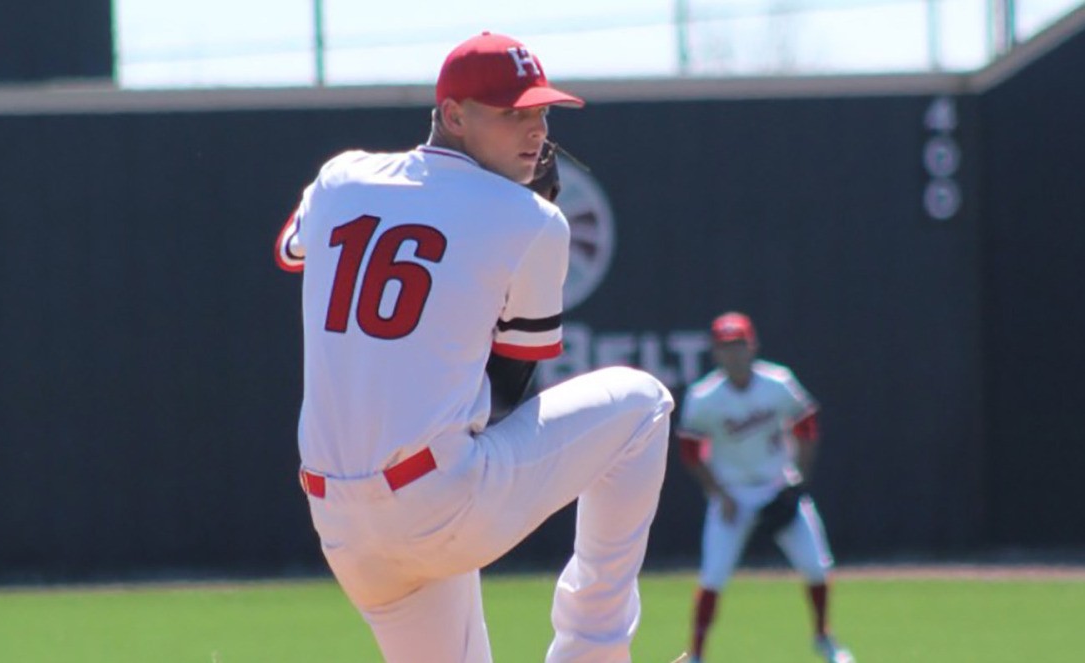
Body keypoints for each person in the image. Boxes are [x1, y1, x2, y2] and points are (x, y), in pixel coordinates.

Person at [274, 31, 674, 663]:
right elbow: (512, 387)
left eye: (540, 111)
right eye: (512, 113)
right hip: (440, 504)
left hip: (342, 526)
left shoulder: (339, 176)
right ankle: (593, 650)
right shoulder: (530, 219)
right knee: (643, 405)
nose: (535, 130)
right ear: (454, 115)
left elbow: (291, 252)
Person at [674, 312, 855, 663]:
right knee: (713, 577)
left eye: (739, 345)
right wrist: (718, 494)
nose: (734, 354)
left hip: (777, 486)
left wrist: (799, 478)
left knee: (817, 567)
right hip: (733, 494)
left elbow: (807, 424)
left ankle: (823, 637)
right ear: (715, 352)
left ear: (752, 345)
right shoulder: (703, 397)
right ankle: (696, 654)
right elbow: (690, 453)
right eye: (726, 347)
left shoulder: (777, 383)